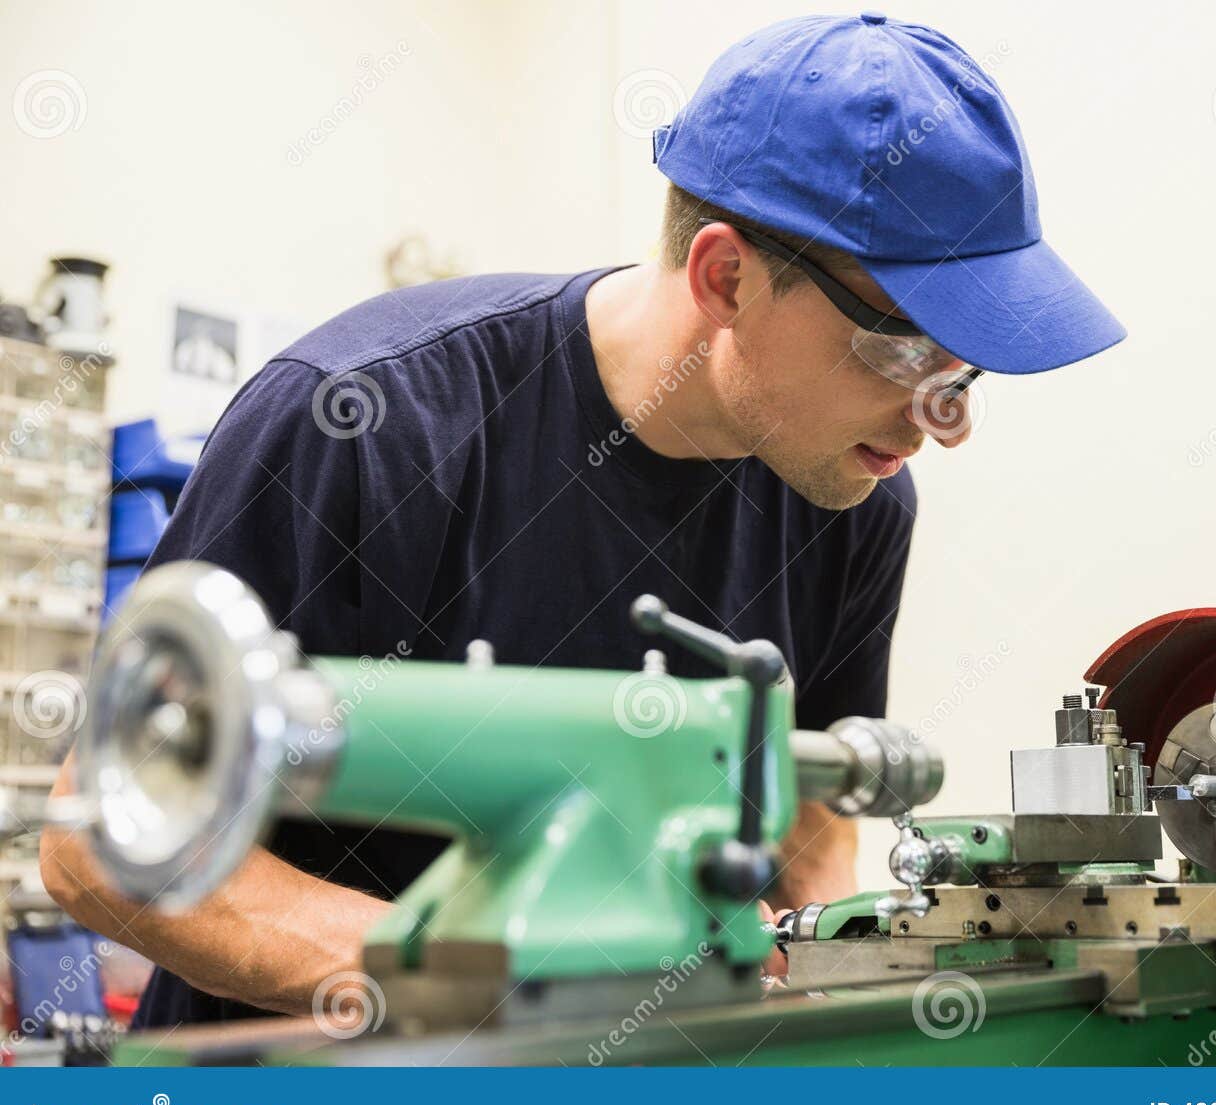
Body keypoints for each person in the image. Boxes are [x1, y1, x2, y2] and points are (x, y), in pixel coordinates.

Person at [41, 11, 1124, 1029]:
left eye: (970, 367)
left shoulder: (852, 493)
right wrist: (480, 979)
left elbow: (803, 803)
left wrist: (814, 974)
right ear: (727, 277)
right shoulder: (364, 424)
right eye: (906, 351)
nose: (947, 417)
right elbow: (94, 847)